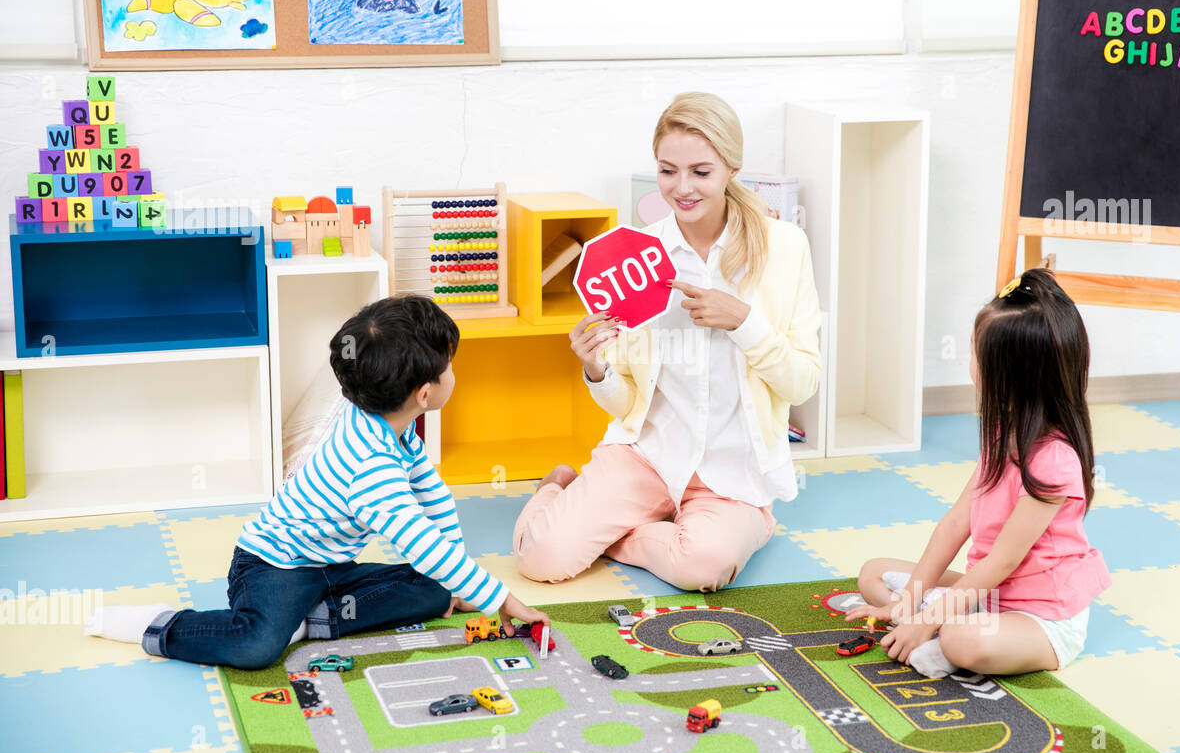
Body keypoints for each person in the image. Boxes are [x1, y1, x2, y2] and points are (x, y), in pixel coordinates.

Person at [86, 295, 549, 668]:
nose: (453, 371)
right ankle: (159, 626)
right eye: (449, 365)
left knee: (436, 585)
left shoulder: (375, 411)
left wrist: (461, 582)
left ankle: (308, 622)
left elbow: (433, 499)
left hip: (330, 569)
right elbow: (421, 543)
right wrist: (500, 600)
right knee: (257, 648)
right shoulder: (372, 467)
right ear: (425, 394)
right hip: (274, 566)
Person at [513, 91, 822, 592]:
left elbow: (803, 382)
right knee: (540, 557)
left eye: (701, 172)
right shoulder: (635, 256)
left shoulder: (784, 249)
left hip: (731, 470)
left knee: (704, 568)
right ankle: (558, 489)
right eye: (667, 171)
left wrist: (744, 322)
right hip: (647, 453)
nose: (682, 188)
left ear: (731, 169)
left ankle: (629, 531)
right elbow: (627, 402)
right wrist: (597, 370)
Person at [848, 268, 1110, 678]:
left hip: (1040, 619)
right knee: (873, 575)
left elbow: (1002, 561)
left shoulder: (1054, 460)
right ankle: (939, 627)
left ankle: (943, 640)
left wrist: (928, 618)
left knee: (961, 639)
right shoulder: (1003, 432)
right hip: (987, 598)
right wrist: (909, 602)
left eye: (974, 352)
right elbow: (956, 522)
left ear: (1010, 375)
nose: (967, 361)